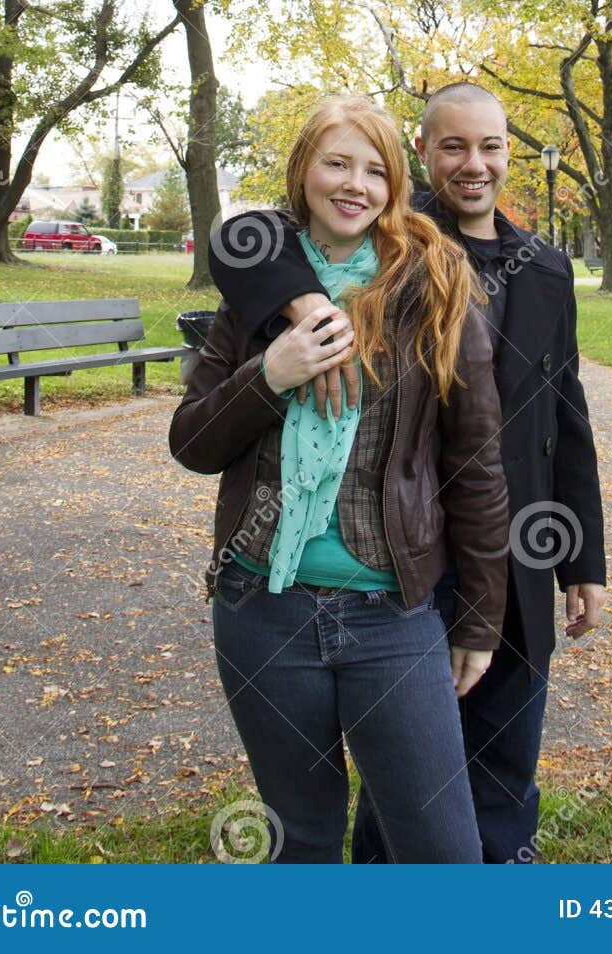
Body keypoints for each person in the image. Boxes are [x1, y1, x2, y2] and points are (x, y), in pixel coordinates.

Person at [211, 81, 606, 864]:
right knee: (398, 794)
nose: (473, 164)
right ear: (419, 154)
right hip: (399, 565)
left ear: (507, 157)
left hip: (506, 551)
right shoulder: (391, 244)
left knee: (499, 761)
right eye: (452, 146)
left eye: (490, 147)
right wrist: (301, 312)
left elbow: (566, 412)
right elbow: (241, 237)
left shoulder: (543, 270)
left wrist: (581, 557)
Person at [169, 95, 509, 864]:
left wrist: (480, 624)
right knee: (302, 840)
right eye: (336, 163)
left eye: (374, 169)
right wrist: (272, 373)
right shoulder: (255, 293)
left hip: (390, 617)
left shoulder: (436, 289)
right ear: (303, 174)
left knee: (442, 853)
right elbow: (191, 443)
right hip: (262, 610)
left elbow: (477, 467)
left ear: (394, 184)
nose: (354, 185)